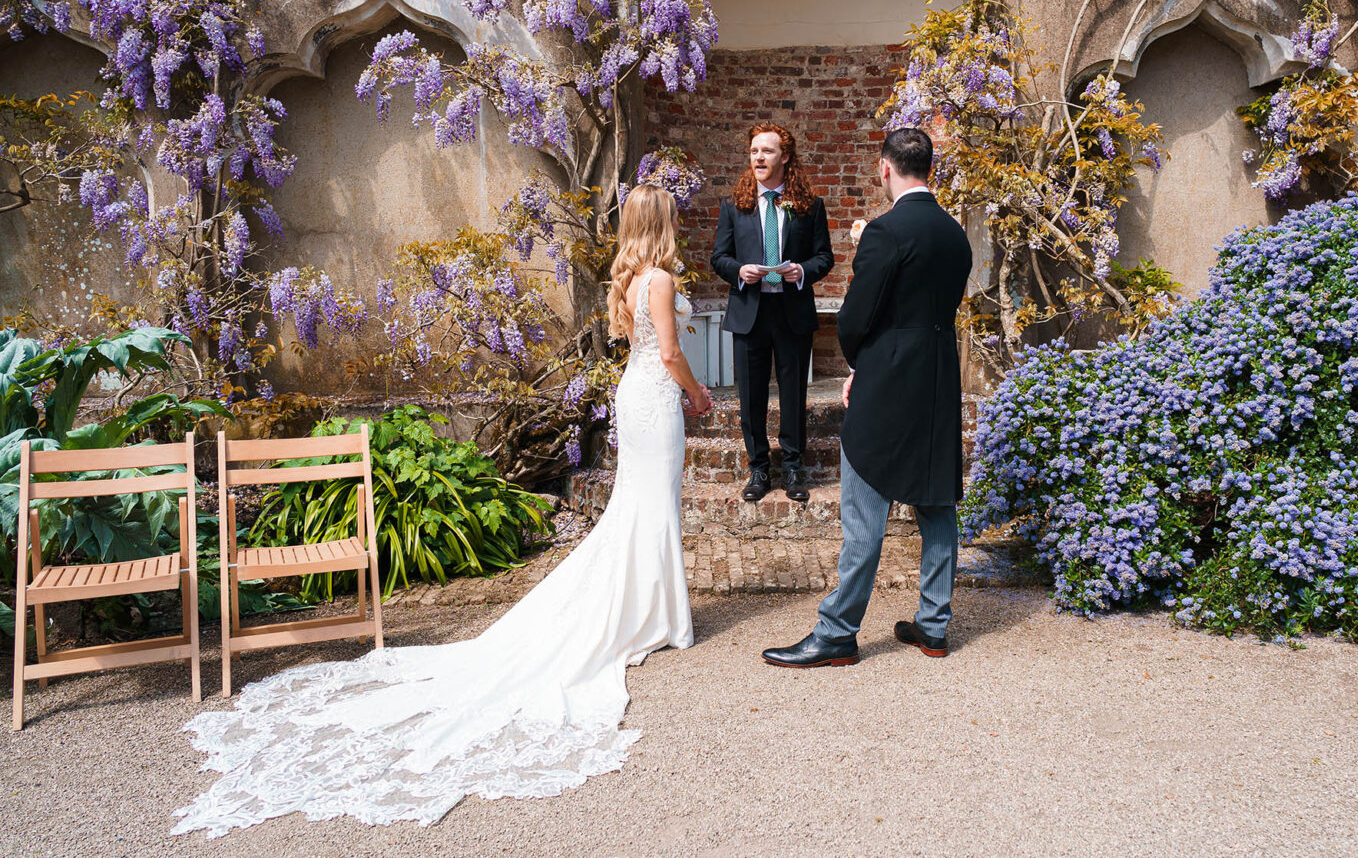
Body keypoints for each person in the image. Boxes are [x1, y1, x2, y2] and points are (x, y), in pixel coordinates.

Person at [173, 185, 710, 836]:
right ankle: (656, 614)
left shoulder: (630, 278)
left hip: (636, 396)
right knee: (649, 506)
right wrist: (698, 394)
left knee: (638, 508)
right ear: (661, 222)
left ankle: (654, 609)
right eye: (671, 213)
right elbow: (670, 353)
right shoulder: (660, 278)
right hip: (655, 399)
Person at [762, 128, 973, 668]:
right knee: (936, 505)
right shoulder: (955, 234)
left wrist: (861, 365)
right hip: (939, 380)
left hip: (888, 382)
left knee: (863, 509)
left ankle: (837, 632)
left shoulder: (885, 231)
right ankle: (933, 626)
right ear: (928, 168)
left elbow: (855, 318)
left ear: (885, 168)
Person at [711, 123, 834, 503]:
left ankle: (794, 469)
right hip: (750, 311)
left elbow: (824, 257)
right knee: (751, 395)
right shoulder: (734, 206)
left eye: (767, 151)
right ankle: (759, 469)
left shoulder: (809, 206)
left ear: (785, 156)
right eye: (754, 151)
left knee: (794, 393)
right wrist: (740, 271)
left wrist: (802, 271)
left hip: (791, 309)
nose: (759, 157)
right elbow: (719, 257)